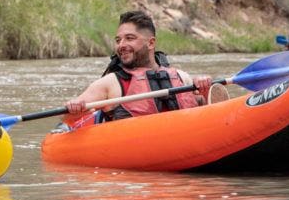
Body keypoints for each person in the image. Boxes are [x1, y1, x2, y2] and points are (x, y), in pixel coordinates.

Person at [64, 10, 221, 125]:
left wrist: (205, 89)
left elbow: (208, 112)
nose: (121, 45)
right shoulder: (110, 83)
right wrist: (74, 109)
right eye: (118, 40)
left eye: (130, 38)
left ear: (151, 43)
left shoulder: (181, 77)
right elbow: (69, 120)